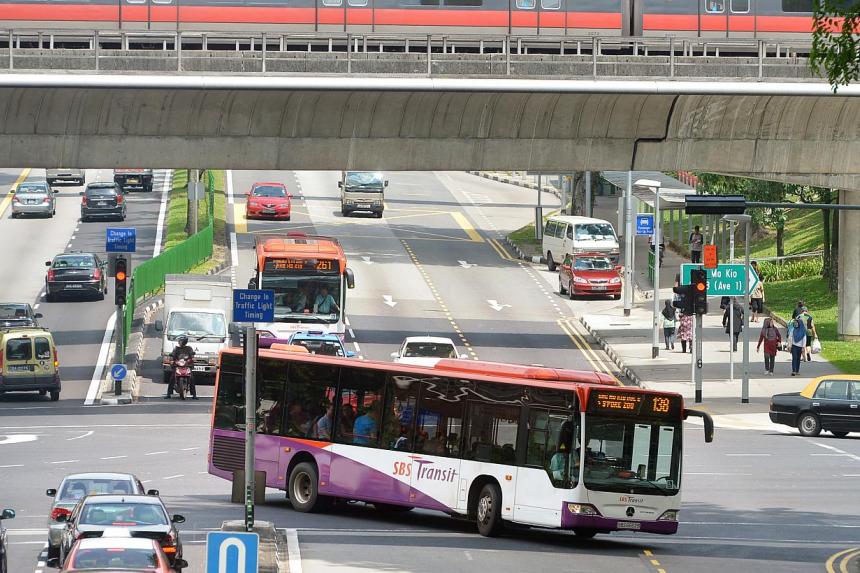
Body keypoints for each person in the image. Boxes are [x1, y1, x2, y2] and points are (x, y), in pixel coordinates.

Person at [165, 335, 197, 399]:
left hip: (187, 365)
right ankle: (169, 394)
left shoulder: (189, 348)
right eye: (179, 341)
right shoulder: (176, 348)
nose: (179, 342)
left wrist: (192, 359)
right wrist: (171, 360)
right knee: (172, 378)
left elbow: (192, 355)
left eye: (180, 341)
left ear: (184, 342)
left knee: (192, 379)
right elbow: (172, 355)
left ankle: (194, 395)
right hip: (178, 365)